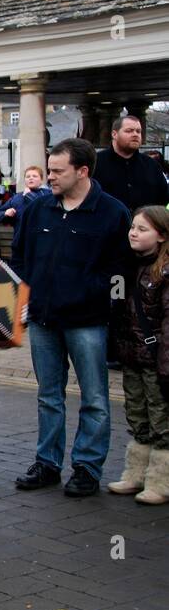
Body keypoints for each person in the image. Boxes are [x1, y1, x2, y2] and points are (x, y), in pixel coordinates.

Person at [11, 138, 131, 497]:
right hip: (43, 320)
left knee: (94, 398)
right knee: (49, 396)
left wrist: (106, 308)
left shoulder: (112, 212)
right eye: (48, 170)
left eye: (57, 171)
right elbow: (20, 256)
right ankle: (47, 463)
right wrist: (24, 296)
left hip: (88, 323)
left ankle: (87, 468)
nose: (50, 177)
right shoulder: (39, 209)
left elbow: (121, 275)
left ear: (82, 171)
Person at [107, 206, 169, 505]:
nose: (133, 232)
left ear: (161, 235)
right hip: (132, 356)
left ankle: (160, 480)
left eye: (142, 229)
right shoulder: (129, 266)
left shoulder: (164, 270)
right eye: (133, 227)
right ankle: (136, 473)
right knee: (137, 415)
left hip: (156, 359)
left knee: (161, 420)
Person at [94, 115, 167, 214]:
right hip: (105, 227)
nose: (135, 134)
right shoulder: (95, 163)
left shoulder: (152, 165)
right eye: (129, 131)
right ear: (114, 134)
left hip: (145, 226)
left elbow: (163, 198)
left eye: (138, 131)